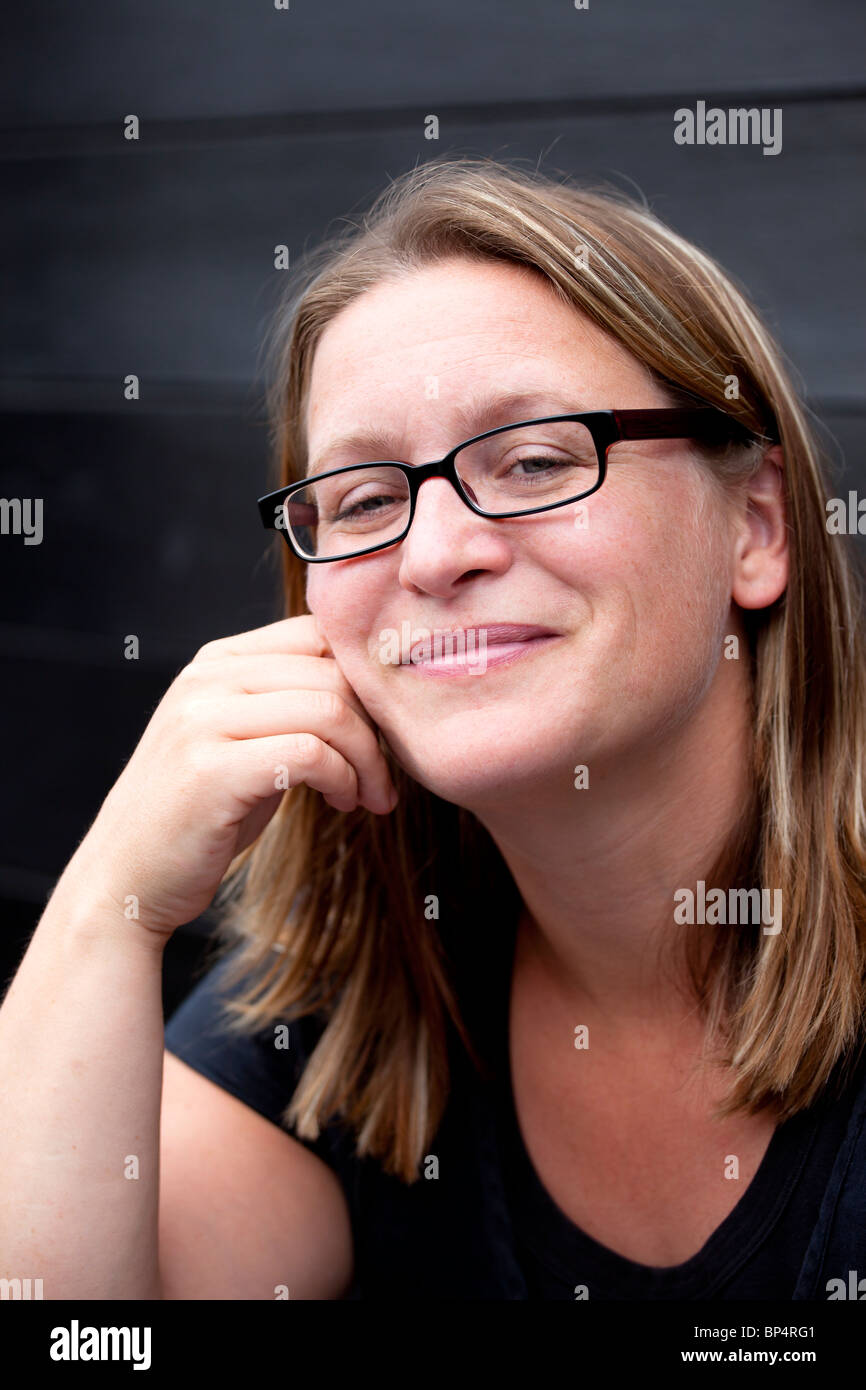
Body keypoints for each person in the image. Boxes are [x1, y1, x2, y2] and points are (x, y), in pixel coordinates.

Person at [2, 156, 866, 1302]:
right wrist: (106, 905)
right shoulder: (351, 999)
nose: (432, 553)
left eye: (536, 459)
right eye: (364, 498)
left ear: (755, 526)